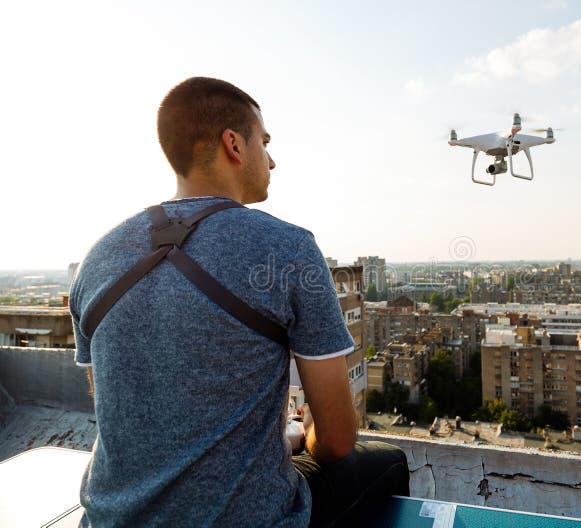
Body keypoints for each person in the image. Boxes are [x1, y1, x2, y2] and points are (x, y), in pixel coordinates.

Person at [69, 77, 408, 527]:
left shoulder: (99, 256)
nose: (272, 160)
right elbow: (338, 440)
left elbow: (111, 398)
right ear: (234, 144)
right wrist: (302, 433)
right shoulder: (288, 248)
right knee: (386, 460)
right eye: (264, 143)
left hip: (109, 519)